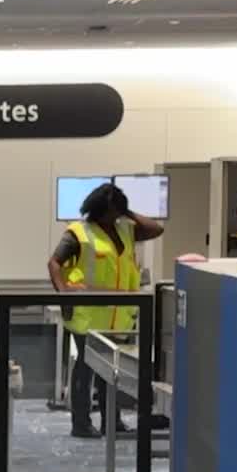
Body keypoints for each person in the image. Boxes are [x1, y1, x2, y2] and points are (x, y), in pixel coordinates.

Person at [47, 183, 165, 439]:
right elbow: (54, 263)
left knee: (112, 370)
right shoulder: (78, 232)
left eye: (117, 211)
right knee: (86, 368)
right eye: (111, 211)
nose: (114, 216)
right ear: (98, 210)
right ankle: (81, 423)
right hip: (87, 313)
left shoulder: (125, 230)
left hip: (118, 313)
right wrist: (62, 294)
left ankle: (112, 421)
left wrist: (128, 212)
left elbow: (157, 229)